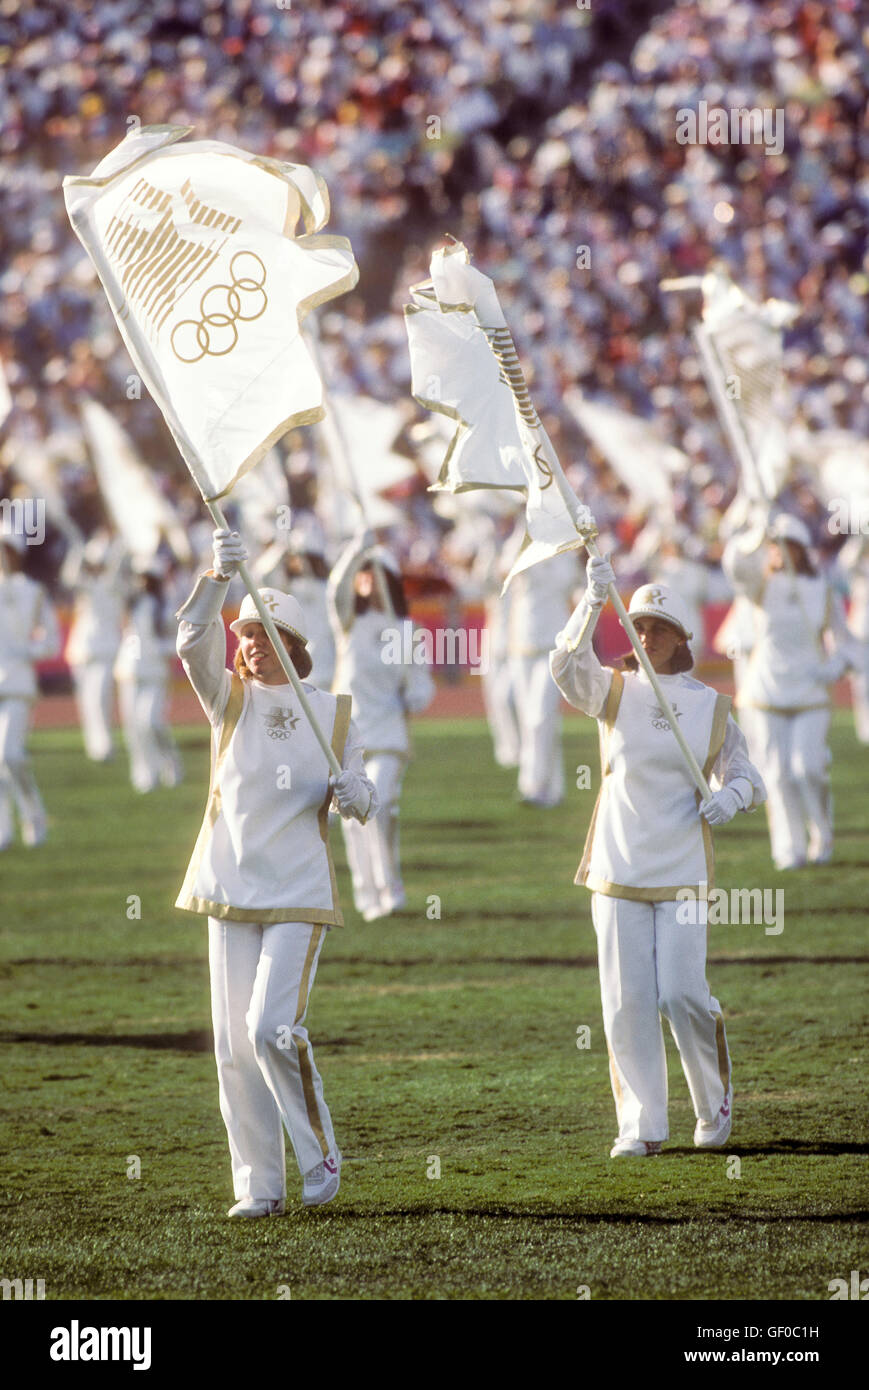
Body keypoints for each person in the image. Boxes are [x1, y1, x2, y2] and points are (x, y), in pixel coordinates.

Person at [175, 528, 378, 1216]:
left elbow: (362, 787)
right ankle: (257, 1187)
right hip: (229, 886)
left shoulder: (332, 712)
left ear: (294, 645)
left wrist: (359, 795)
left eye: (261, 635)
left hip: (297, 890)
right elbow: (189, 642)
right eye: (243, 634)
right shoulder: (225, 696)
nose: (246, 643)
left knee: (270, 1028)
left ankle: (318, 1152)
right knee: (234, 1048)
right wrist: (216, 577)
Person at [550, 555, 766, 1157]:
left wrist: (734, 796)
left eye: (657, 629)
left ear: (680, 640)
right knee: (625, 1001)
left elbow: (749, 776)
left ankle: (712, 1097)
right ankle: (639, 1124)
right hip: (617, 866)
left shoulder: (708, 705)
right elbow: (564, 666)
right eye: (638, 627)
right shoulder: (614, 689)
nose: (644, 636)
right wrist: (590, 603)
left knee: (681, 994)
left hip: (683, 872)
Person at [722, 513, 855, 869]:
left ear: (801, 551)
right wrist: (754, 532)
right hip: (766, 692)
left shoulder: (822, 590)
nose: (779, 554)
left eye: (786, 547)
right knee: (776, 773)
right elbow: (734, 564)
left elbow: (845, 643)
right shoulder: (759, 588)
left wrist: (832, 666)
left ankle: (821, 836)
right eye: (773, 547)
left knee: (808, 768)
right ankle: (789, 847)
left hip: (810, 693)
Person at [328, 533, 434, 921]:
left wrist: (414, 694)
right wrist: (356, 548)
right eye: (362, 574)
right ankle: (367, 894)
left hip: (388, 733)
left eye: (375, 574)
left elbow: (421, 685)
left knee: (382, 803)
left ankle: (391, 886)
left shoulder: (406, 631)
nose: (367, 580)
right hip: (349, 734)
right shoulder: (347, 622)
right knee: (353, 817)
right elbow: (335, 588)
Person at [0, 526, 60, 848]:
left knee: (10, 755)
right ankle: (4, 830)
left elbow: (51, 641)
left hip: (19, 683)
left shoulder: (33, 592)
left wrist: (27, 651)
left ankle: (33, 815)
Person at [114, 556, 183, 793]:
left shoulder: (167, 605)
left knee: (151, 722)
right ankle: (144, 772)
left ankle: (170, 762)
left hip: (155, 671)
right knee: (133, 726)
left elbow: (177, 641)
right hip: (129, 671)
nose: (142, 582)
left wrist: (158, 649)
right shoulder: (132, 603)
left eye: (147, 578)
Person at [61, 530, 124, 762]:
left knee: (100, 698)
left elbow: (116, 570)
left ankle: (105, 745)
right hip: (82, 651)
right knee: (86, 701)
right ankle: (95, 746)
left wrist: (115, 546)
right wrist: (77, 549)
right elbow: (70, 577)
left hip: (106, 650)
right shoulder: (86, 586)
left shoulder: (113, 586)